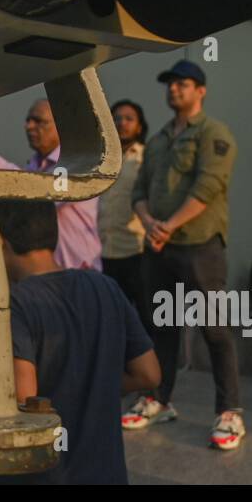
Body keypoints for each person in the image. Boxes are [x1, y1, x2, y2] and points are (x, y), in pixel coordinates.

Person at [123, 59, 243, 451]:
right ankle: (159, 399)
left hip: (200, 247)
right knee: (162, 329)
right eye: (170, 84)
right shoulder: (157, 140)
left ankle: (229, 413)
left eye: (183, 84)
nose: (174, 89)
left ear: (201, 90)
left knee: (214, 331)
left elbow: (209, 187)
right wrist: (151, 223)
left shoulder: (213, 133)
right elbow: (138, 191)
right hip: (160, 248)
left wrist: (167, 225)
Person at [0, 199, 159, 485]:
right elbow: (149, 373)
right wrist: (94, 386)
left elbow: (25, 402)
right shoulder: (105, 286)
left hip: (44, 476)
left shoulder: (17, 303)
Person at [0, 99, 103, 271]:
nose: (29, 126)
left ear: (62, 126)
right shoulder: (34, 166)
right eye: (28, 120)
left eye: (38, 121)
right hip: (51, 273)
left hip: (80, 270)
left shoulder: (76, 163)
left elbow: (42, 198)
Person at [98, 99, 150, 331]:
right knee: (112, 321)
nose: (122, 123)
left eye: (129, 119)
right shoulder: (101, 159)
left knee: (145, 319)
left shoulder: (146, 158)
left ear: (139, 126)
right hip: (103, 252)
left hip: (135, 251)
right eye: (117, 118)